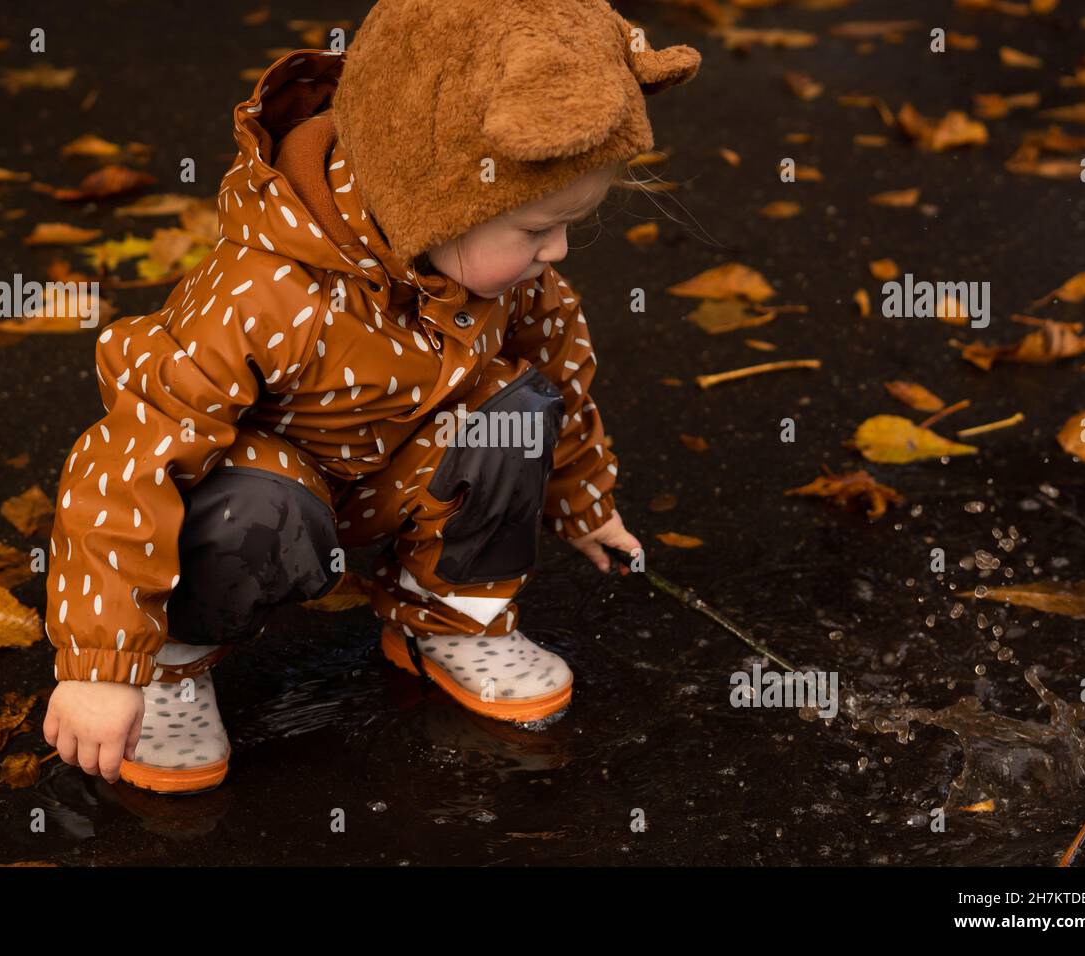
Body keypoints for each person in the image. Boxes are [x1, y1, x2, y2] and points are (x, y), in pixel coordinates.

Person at [41, 0, 700, 794]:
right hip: (273, 495)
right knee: (244, 506)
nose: (555, 251)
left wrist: (585, 502)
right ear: (436, 201)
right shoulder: (262, 291)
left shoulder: (510, 286)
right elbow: (125, 462)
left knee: (518, 409)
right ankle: (167, 666)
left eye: (567, 226)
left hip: (396, 480)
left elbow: (561, 379)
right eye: (535, 229)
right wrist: (101, 667)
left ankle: (449, 614)